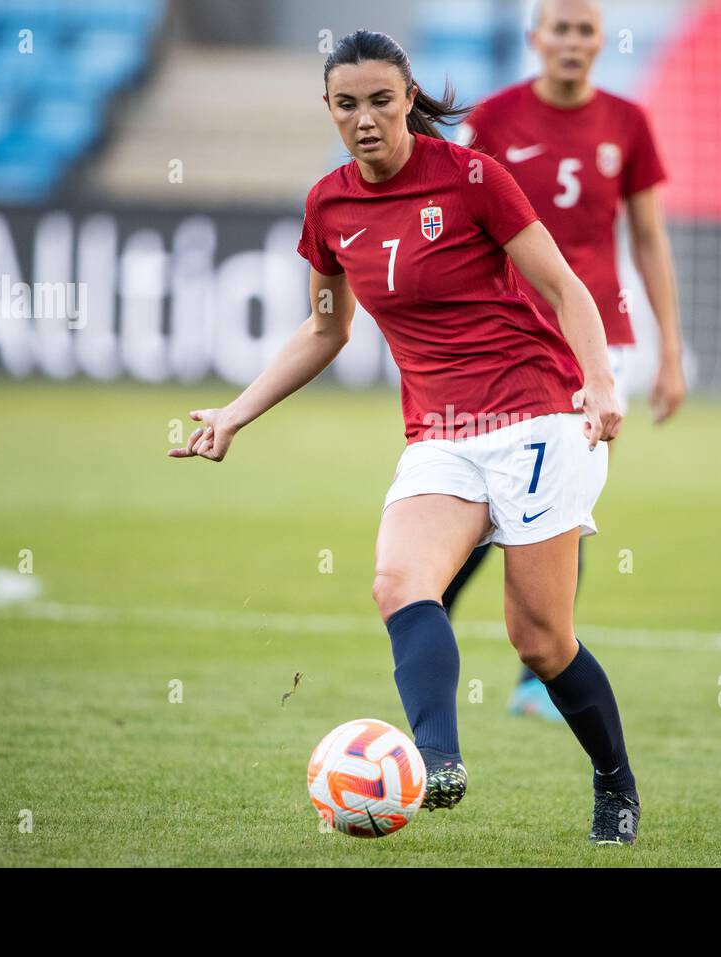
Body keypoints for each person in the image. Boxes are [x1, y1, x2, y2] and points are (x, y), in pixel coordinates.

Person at [169, 30, 641, 844]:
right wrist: (234, 413)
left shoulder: (471, 180)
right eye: (346, 104)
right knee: (398, 581)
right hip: (441, 434)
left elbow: (566, 288)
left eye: (381, 101)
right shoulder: (329, 205)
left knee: (540, 639)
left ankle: (615, 783)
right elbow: (324, 332)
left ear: (410, 98)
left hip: (537, 417)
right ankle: (433, 759)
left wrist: (598, 381)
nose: (364, 120)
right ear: (328, 108)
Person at [447, 0, 687, 721]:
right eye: (562, 28)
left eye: (587, 29)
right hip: (507, 333)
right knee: (486, 493)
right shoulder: (490, 120)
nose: (574, 42)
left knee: (560, 500)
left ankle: (536, 678)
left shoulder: (627, 122)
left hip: (592, 340)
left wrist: (671, 352)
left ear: (599, 40)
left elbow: (648, 238)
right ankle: (429, 639)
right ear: (536, 39)